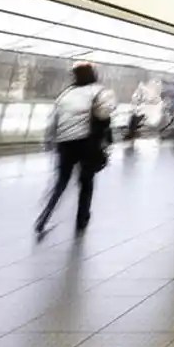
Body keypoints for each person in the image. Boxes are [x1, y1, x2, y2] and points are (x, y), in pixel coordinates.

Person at [36, 63, 115, 235]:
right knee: (86, 183)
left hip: (65, 143)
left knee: (61, 182)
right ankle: (82, 219)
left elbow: (53, 118)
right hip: (87, 143)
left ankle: (44, 216)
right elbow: (104, 115)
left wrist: (50, 140)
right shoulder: (100, 91)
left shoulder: (66, 93)